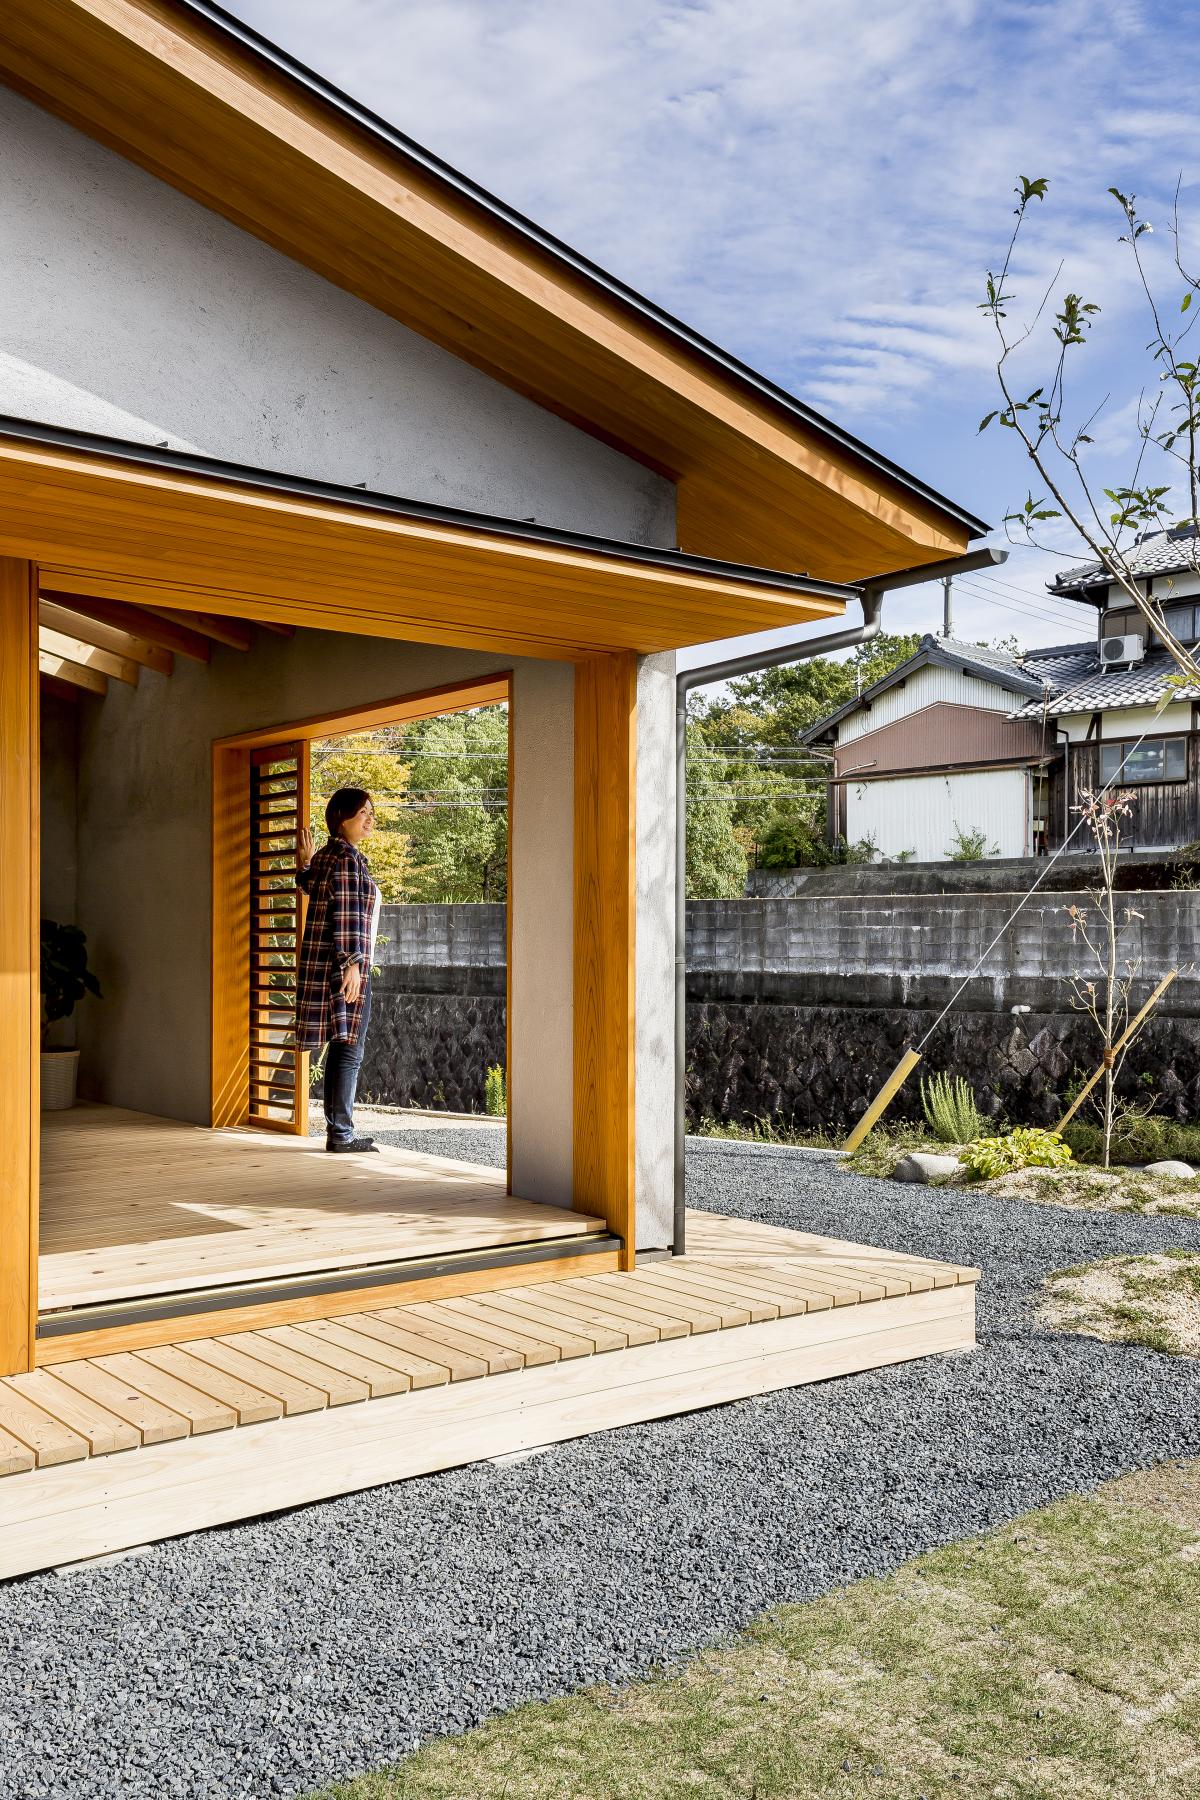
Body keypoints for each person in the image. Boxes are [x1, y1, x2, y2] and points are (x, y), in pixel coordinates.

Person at [295, 787, 382, 1153]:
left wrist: (305, 862)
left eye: (371, 812)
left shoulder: (329, 857)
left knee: (341, 1047)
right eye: (363, 813)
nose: (369, 819)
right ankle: (341, 1134)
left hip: (327, 964)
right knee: (350, 1049)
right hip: (346, 967)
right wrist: (352, 966)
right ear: (341, 817)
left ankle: (339, 1131)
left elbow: (310, 886)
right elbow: (346, 915)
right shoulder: (347, 859)